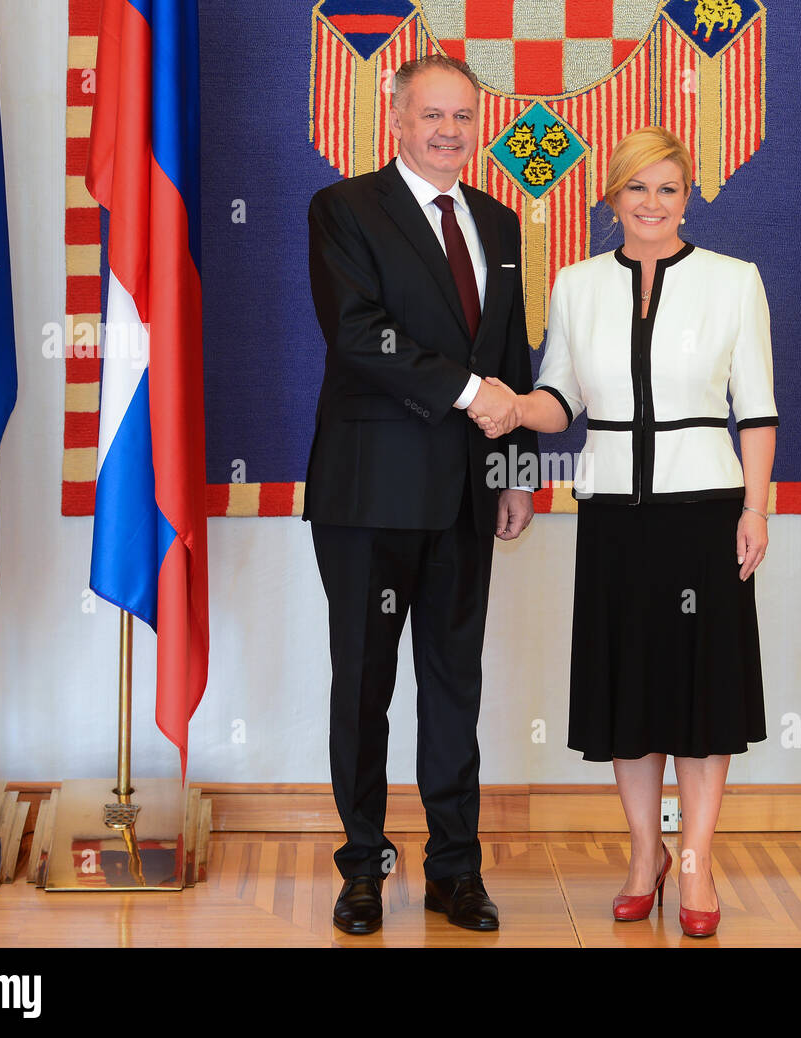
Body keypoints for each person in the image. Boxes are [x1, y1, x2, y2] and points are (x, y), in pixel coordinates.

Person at [472, 126, 777, 938]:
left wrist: (757, 507)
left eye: (668, 188)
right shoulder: (574, 286)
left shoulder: (734, 281)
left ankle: (700, 858)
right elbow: (559, 400)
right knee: (630, 694)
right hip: (612, 516)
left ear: (689, 196)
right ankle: (646, 856)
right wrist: (506, 404)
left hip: (708, 515)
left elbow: (759, 410)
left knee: (703, 699)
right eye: (637, 188)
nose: (652, 203)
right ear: (611, 198)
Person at [304, 54, 538, 935]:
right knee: (364, 686)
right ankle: (362, 869)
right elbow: (359, 335)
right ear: (395, 117)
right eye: (431, 115)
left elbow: (513, 352)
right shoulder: (343, 209)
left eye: (462, 118)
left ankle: (454, 871)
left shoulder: (500, 220)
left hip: (473, 497)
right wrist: (471, 393)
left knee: (454, 688)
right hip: (369, 496)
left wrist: (517, 468)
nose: (448, 133)